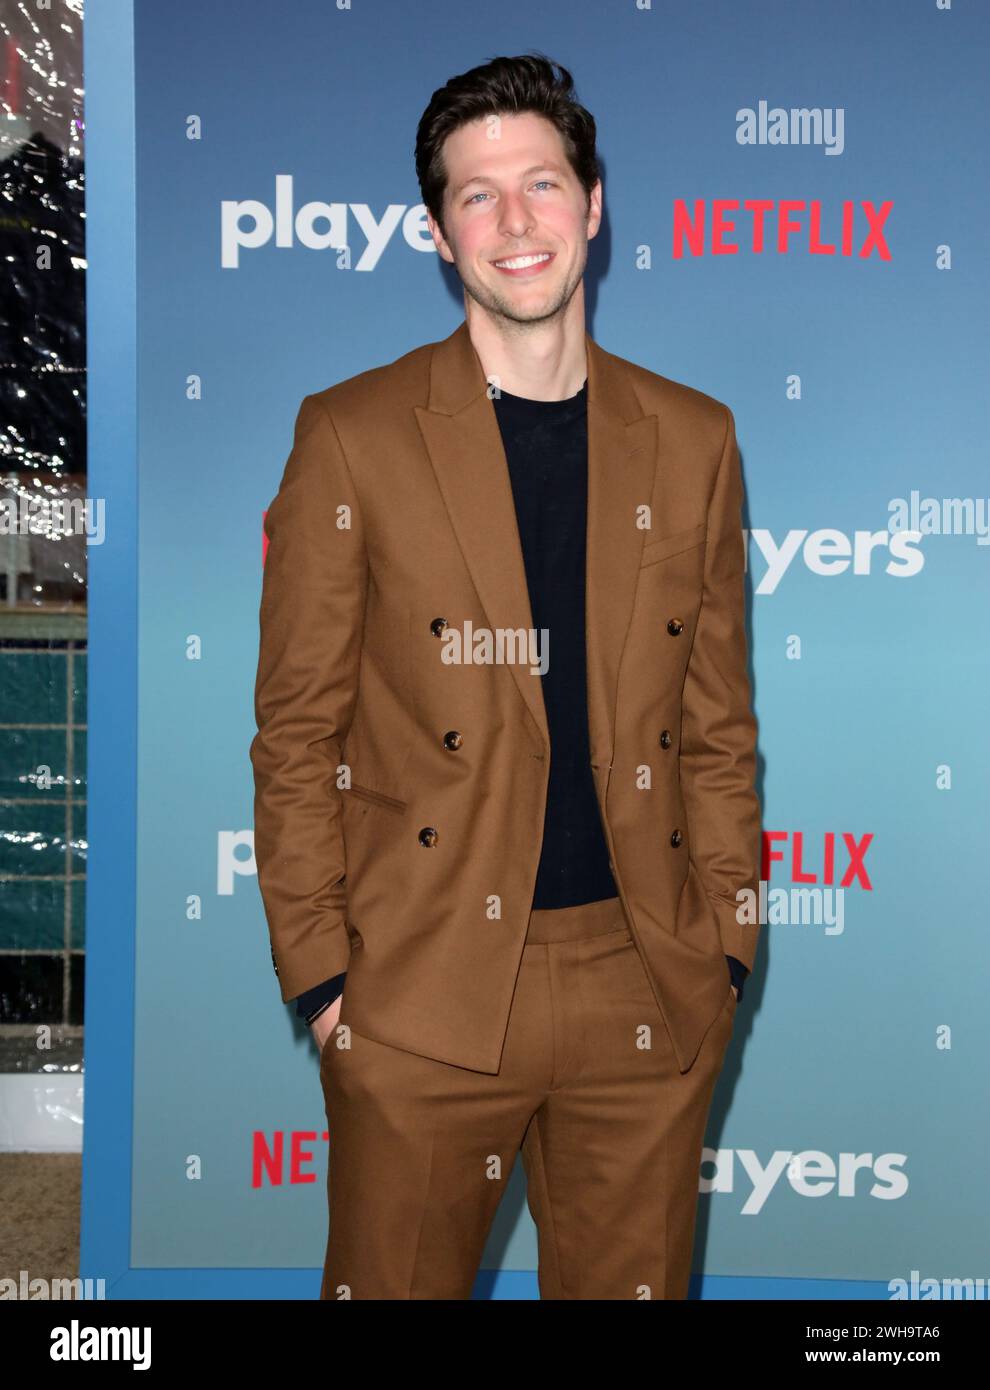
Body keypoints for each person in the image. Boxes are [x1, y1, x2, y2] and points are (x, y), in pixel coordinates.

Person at [250, 52, 761, 1300]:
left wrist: (727, 942)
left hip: (645, 976)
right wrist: (326, 981)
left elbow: (718, 729)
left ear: (595, 203)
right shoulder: (353, 434)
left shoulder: (693, 439)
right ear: (437, 232)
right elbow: (296, 729)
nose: (515, 220)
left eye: (541, 183)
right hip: (421, 983)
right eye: (478, 196)